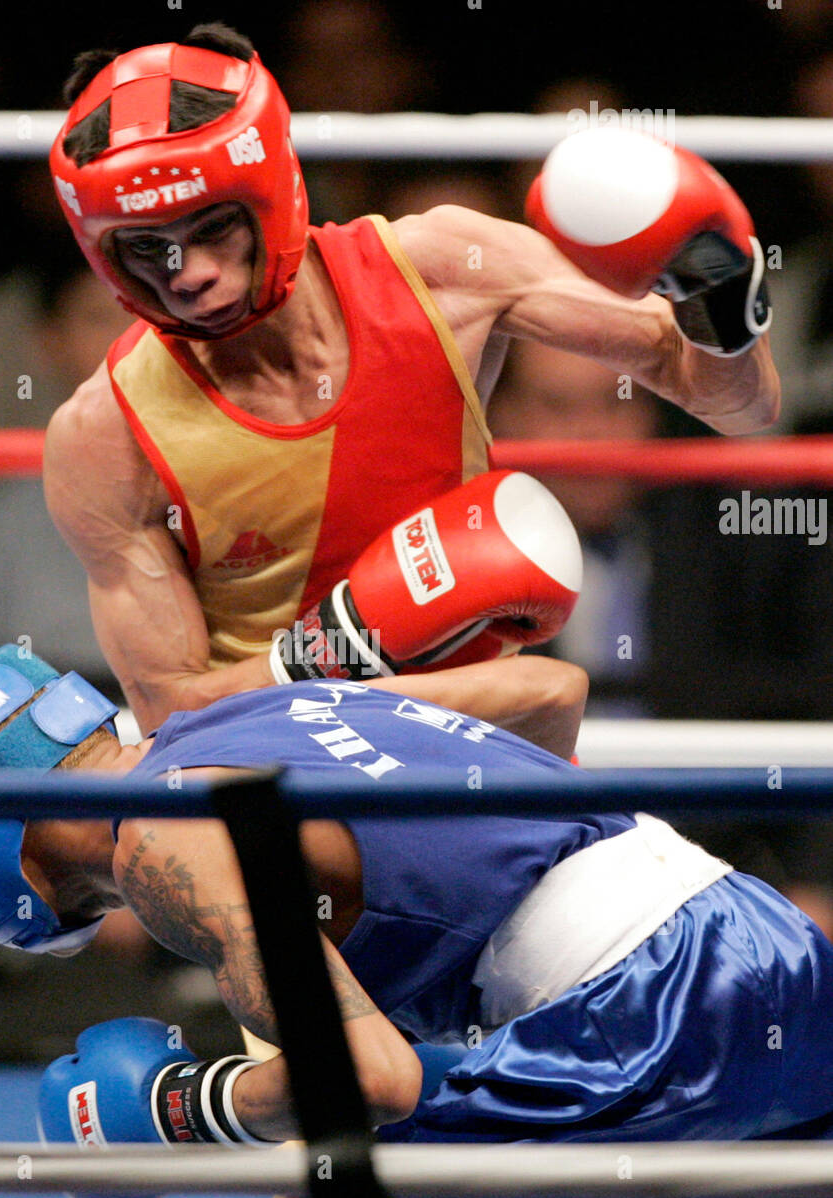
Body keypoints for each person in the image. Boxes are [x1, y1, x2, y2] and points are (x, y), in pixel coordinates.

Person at [0, 644, 833, 1198]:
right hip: (759, 936)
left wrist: (188, 1110)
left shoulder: (165, 842)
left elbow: (370, 1077)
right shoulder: (254, 712)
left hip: (634, 1008)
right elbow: (551, 692)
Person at [44, 23, 779, 738]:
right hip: (280, 777)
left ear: (271, 190)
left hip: (479, 756)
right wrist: (338, 644)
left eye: (213, 228)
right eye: (148, 248)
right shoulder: (105, 434)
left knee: (551, 707)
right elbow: (171, 720)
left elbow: (738, 406)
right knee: (541, 690)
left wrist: (716, 296)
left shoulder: (443, 270)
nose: (191, 275)